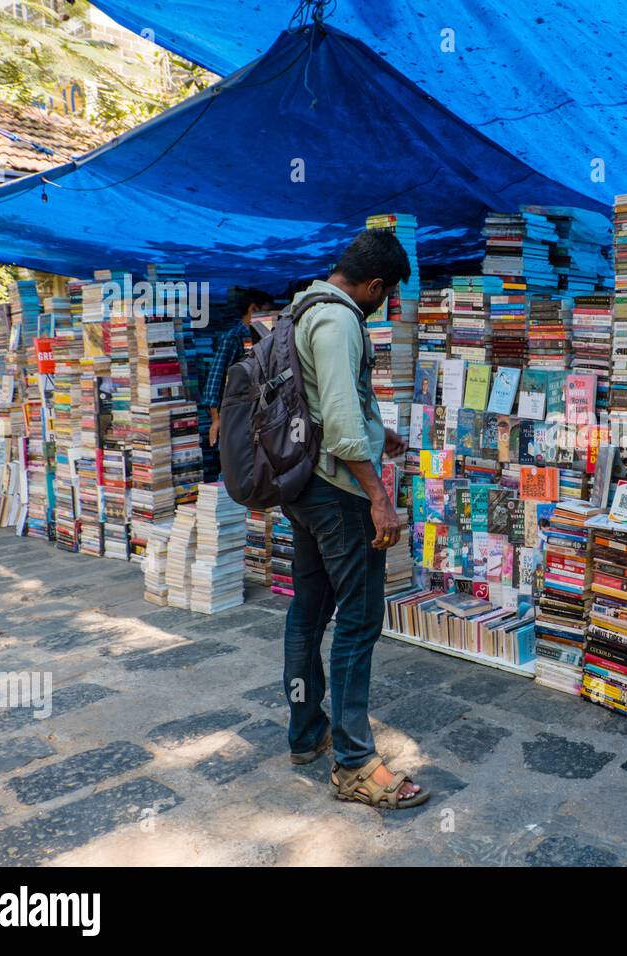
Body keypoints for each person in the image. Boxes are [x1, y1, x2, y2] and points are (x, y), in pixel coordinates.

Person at [281, 229, 429, 810]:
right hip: (338, 492)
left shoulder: (303, 306)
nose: (385, 303)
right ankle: (354, 763)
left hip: (302, 486)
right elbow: (340, 421)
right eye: (387, 294)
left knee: (308, 609)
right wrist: (378, 497)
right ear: (374, 285)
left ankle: (306, 732)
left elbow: (323, 403)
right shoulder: (342, 320)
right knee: (360, 619)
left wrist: (379, 432)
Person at [202, 288, 276, 448]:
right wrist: (216, 419)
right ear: (254, 309)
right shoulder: (233, 337)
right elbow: (215, 379)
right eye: (268, 311)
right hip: (237, 412)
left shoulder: (270, 337)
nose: (271, 317)